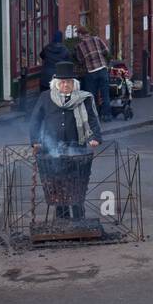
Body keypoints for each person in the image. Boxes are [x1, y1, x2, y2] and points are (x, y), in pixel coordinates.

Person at [35, 63, 103, 219]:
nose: (66, 85)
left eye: (69, 82)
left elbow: (92, 119)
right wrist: (35, 141)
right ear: (56, 84)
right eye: (63, 82)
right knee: (57, 183)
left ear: (74, 83)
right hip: (52, 149)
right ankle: (62, 217)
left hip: (77, 148)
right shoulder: (46, 97)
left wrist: (95, 138)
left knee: (77, 181)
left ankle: (79, 216)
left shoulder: (83, 98)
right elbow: (36, 120)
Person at [75, 25, 113, 123]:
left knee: (92, 95)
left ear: (80, 34)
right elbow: (106, 51)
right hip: (102, 69)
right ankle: (107, 115)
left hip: (91, 72)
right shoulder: (97, 39)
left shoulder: (79, 46)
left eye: (78, 34)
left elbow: (80, 60)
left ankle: (94, 117)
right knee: (105, 94)